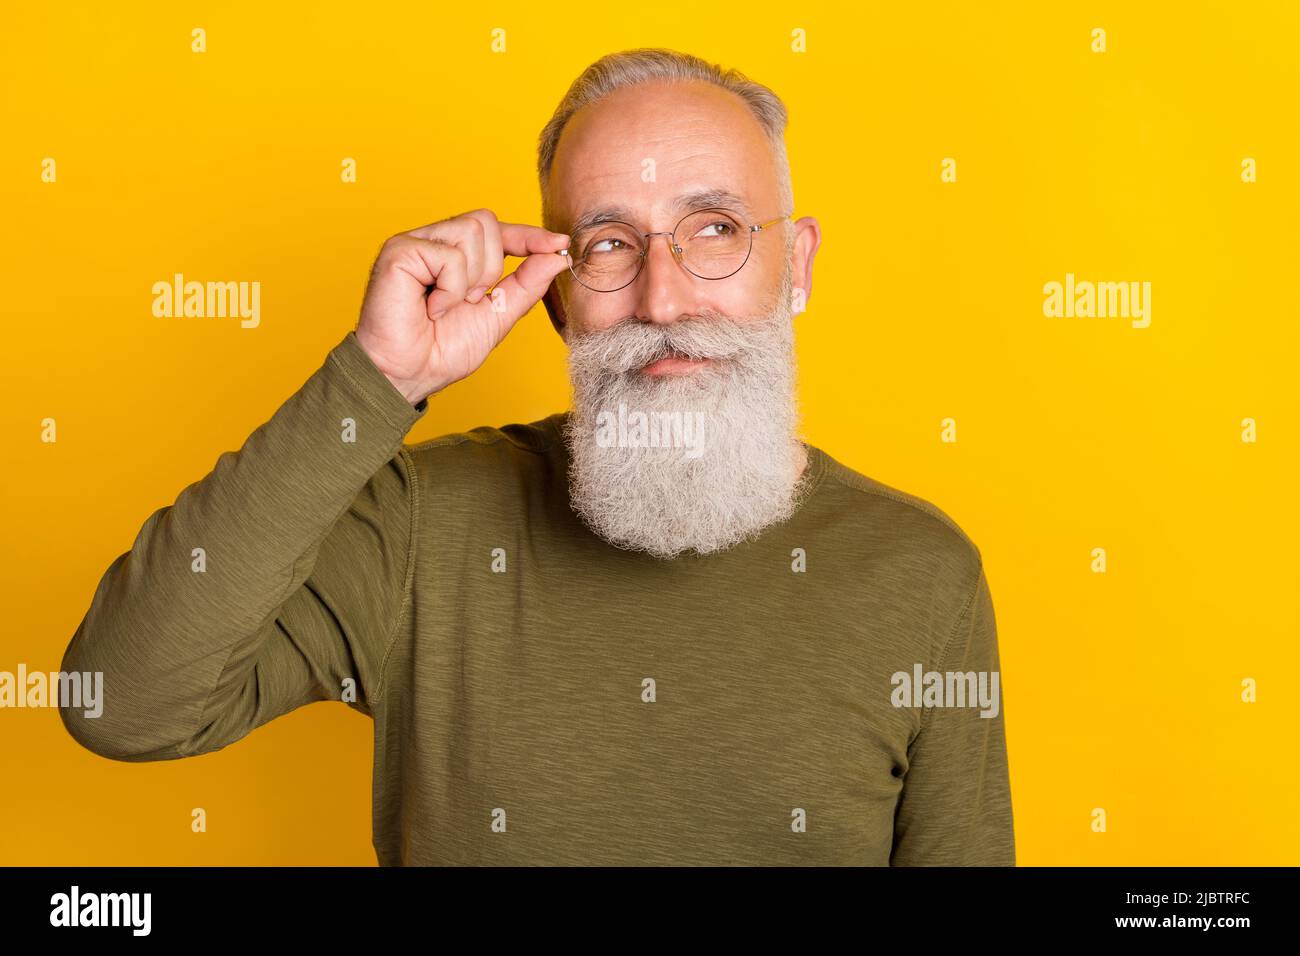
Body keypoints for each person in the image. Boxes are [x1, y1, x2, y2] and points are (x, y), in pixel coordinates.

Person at [59, 47, 1014, 866]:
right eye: (607, 244)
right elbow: (123, 706)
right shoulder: (422, 523)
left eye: (715, 230)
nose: (664, 299)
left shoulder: (925, 574)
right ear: (557, 299)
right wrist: (376, 379)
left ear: (796, 264)